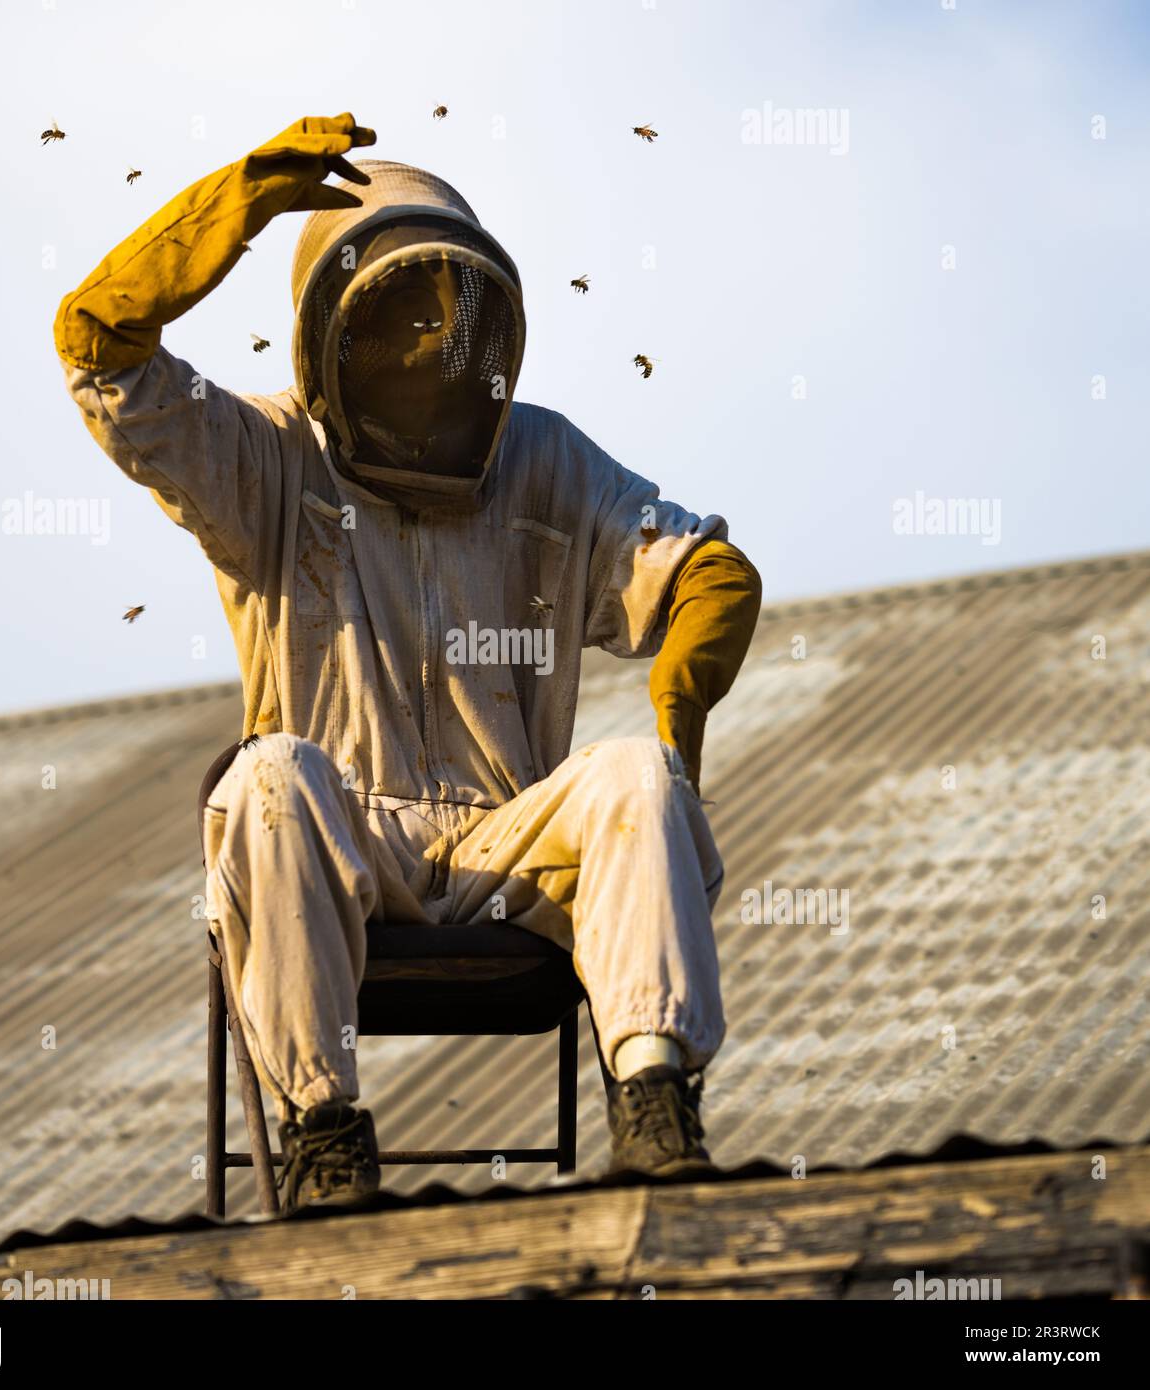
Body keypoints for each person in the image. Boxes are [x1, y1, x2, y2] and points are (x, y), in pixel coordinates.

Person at [55, 114, 762, 1215]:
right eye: (402, 323)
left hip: (506, 840)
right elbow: (99, 347)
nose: (427, 350)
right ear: (329, 333)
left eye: (448, 326)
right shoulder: (261, 455)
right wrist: (233, 203)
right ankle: (324, 1129)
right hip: (341, 844)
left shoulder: (544, 458)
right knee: (266, 779)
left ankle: (656, 1102)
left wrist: (678, 721)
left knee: (630, 776)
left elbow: (707, 570)